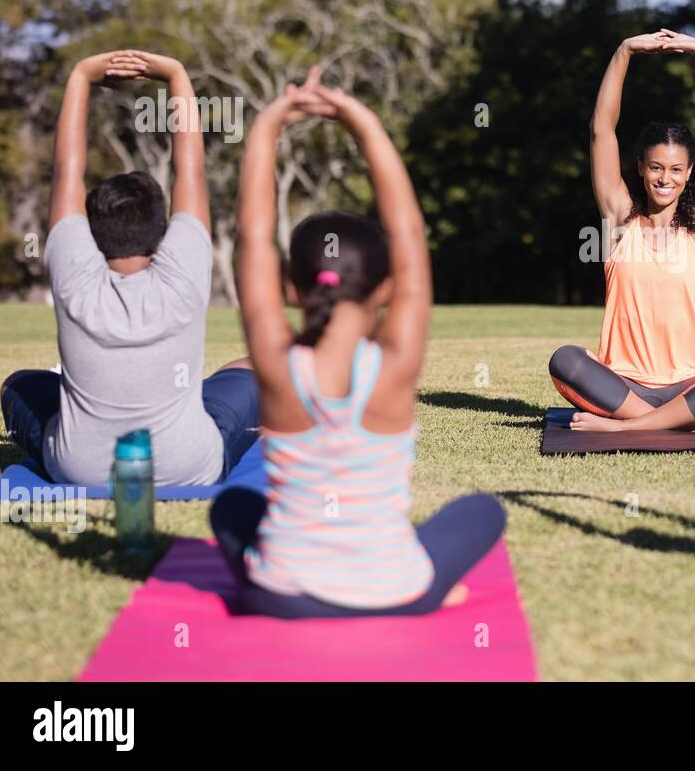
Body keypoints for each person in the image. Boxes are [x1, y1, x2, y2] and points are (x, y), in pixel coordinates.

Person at [209, 70, 505, 618]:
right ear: (387, 286)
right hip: (394, 596)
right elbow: (410, 236)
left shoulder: (276, 367)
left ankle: (285, 577)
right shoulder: (393, 365)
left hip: (281, 597)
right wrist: (365, 125)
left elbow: (252, 236)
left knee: (230, 508)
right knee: (485, 512)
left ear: (289, 287)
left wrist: (268, 126)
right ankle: (418, 584)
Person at [0, 50, 257, 486]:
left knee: (20, 385)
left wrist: (81, 76)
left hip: (77, 469)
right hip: (188, 465)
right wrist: (176, 74)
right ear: (163, 235)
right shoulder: (184, 270)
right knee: (255, 369)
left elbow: (66, 173)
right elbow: (189, 171)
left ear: (93, 237)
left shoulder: (73, 274)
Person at [548, 29, 695, 433]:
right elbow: (601, 129)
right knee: (565, 360)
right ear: (641, 169)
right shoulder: (619, 220)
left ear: (689, 174)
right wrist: (624, 50)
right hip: (622, 385)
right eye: (656, 168)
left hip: (690, 385)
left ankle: (629, 426)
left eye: (676, 169)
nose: (665, 179)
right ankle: (681, 424)